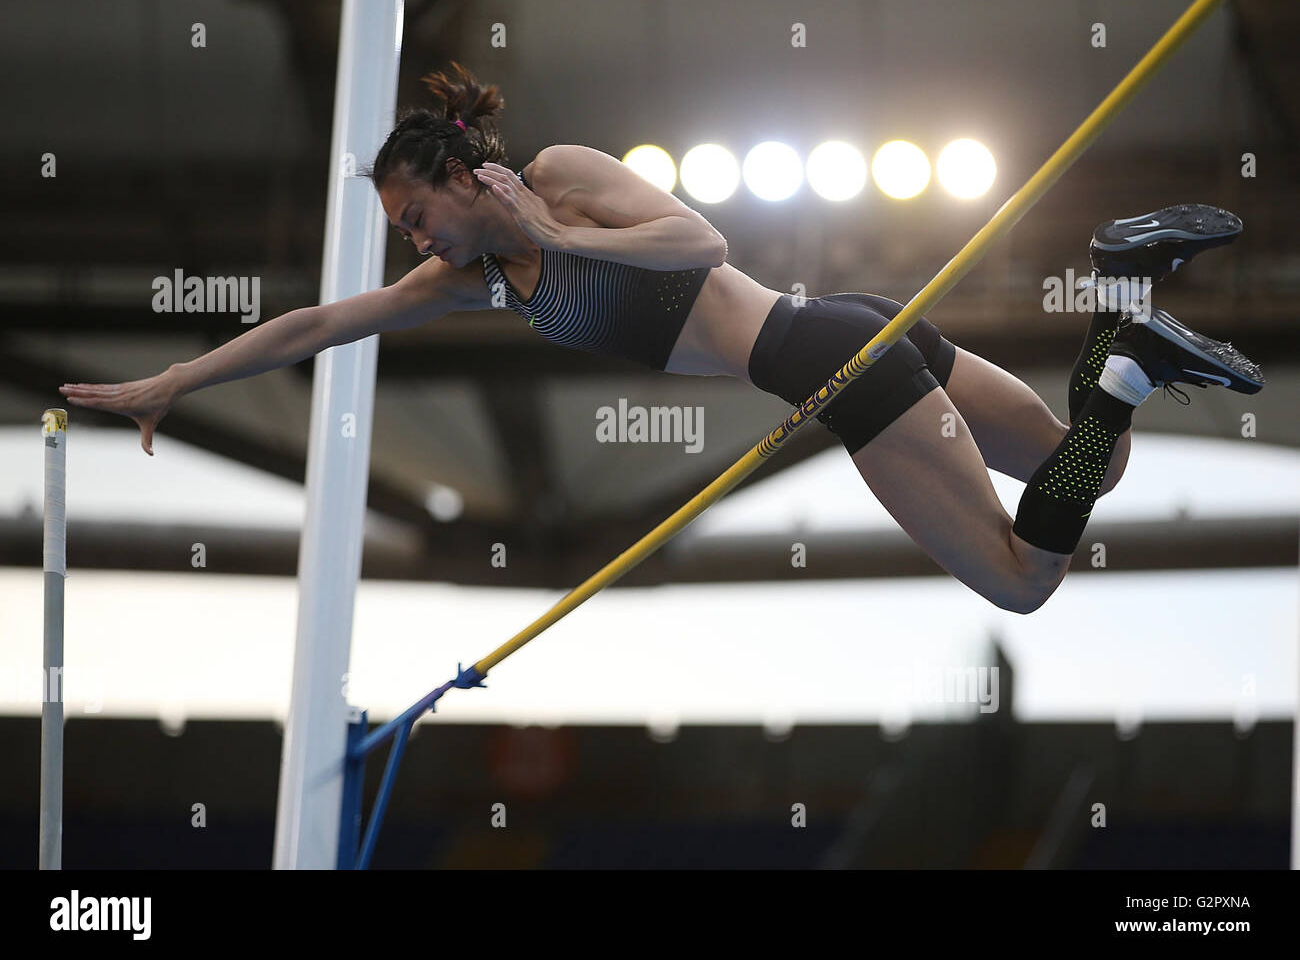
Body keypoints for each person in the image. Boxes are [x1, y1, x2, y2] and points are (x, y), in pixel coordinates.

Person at [59, 63, 1263, 614]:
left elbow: (700, 240)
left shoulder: (559, 182)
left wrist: (556, 233)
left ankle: (1122, 359)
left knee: (1021, 579)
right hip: (850, 339)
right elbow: (322, 322)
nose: (414, 245)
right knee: (1088, 467)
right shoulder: (479, 276)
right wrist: (174, 375)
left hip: (822, 355)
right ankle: (1125, 311)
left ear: (466, 178)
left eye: (417, 216)